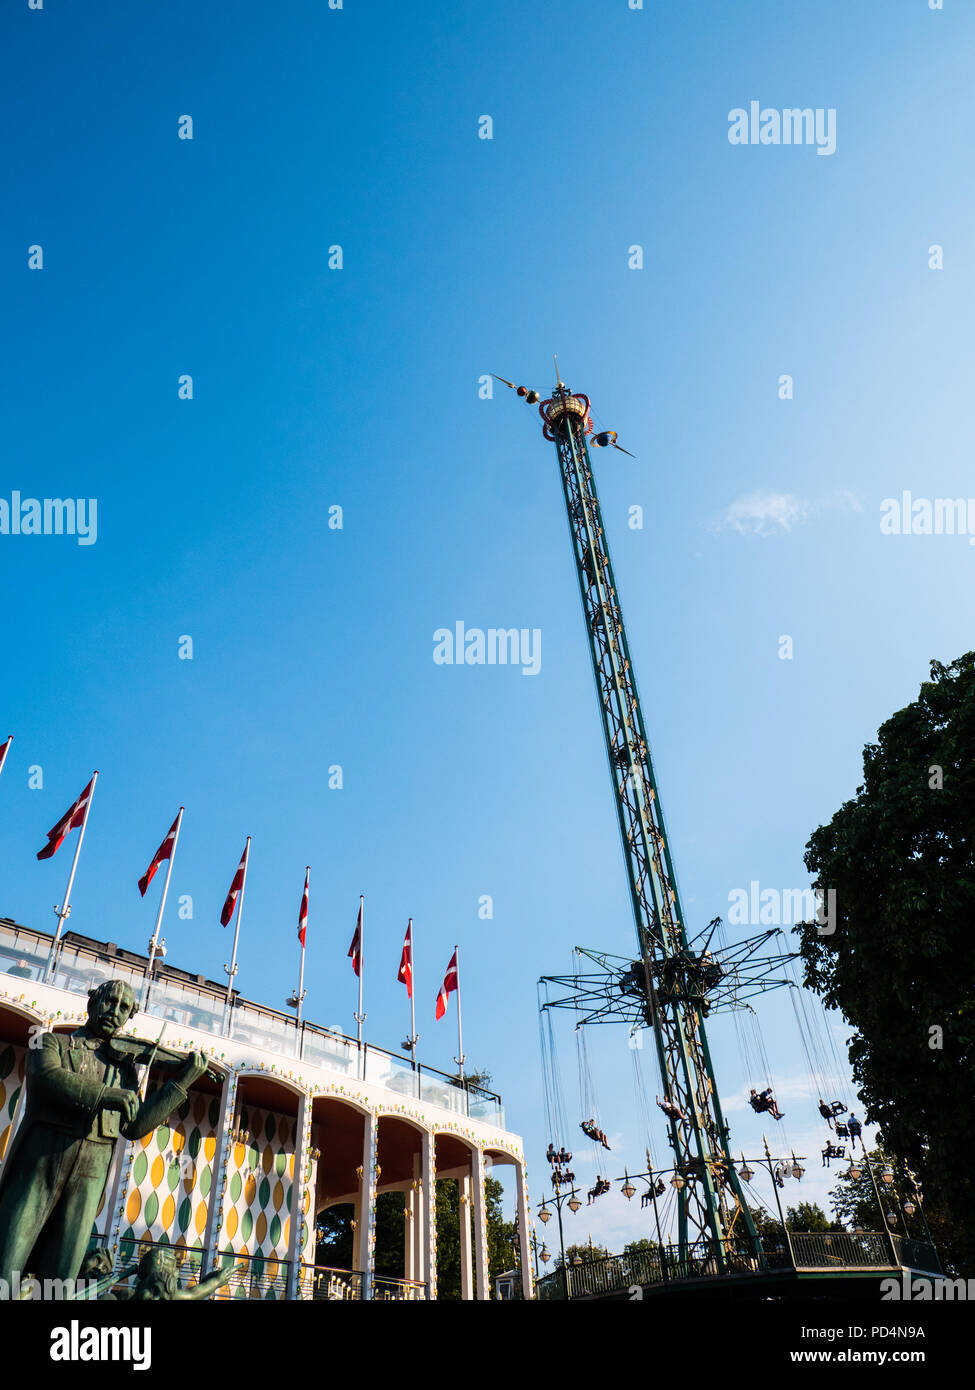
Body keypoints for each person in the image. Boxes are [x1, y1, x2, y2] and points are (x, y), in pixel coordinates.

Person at [0, 979, 207, 1285]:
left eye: (124, 1008)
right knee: (8, 1260)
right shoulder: (50, 1043)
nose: (115, 1011)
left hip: (91, 1174)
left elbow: (135, 1126)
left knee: (62, 1273)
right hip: (41, 1160)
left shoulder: (124, 1070)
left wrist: (181, 1083)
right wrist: (109, 1094)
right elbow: (47, 1078)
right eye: (110, 1002)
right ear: (93, 1003)